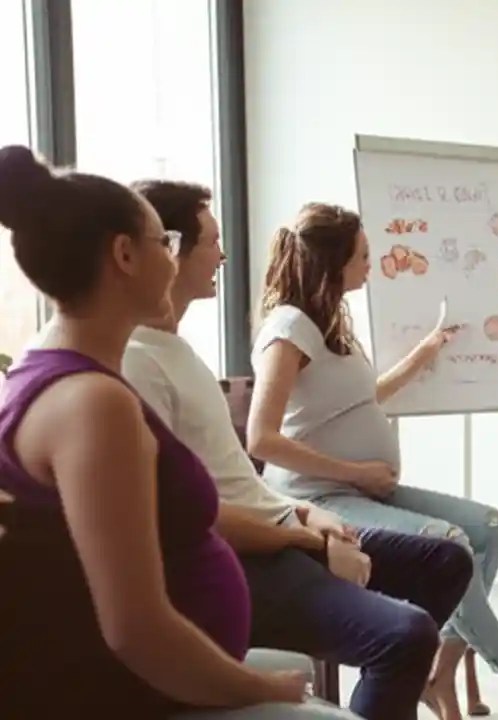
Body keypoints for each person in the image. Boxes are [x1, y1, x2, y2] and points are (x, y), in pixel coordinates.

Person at [121, 180, 475, 720]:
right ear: (161, 250)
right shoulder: (141, 362)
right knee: (406, 634)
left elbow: (237, 473)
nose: (222, 254)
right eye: (211, 241)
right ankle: (400, 667)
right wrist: (306, 534)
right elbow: (188, 505)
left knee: (446, 560)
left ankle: (387, 687)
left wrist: (309, 518)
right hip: (252, 553)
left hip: (289, 519)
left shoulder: (179, 352)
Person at [246, 201, 498, 720]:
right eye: (363, 255)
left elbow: (363, 398)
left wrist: (424, 353)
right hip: (315, 497)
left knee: (489, 527)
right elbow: (262, 437)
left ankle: (439, 669)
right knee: (449, 540)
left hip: (363, 489)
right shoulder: (288, 328)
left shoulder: (328, 325)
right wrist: (356, 472)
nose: (372, 264)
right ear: (333, 262)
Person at [0, 144, 312, 717]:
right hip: (140, 693)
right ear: (124, 255)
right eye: (164, 243)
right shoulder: (96, 405)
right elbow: (136, 630)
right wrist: (265, 692)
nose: (175, 259)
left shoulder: (48, 369)